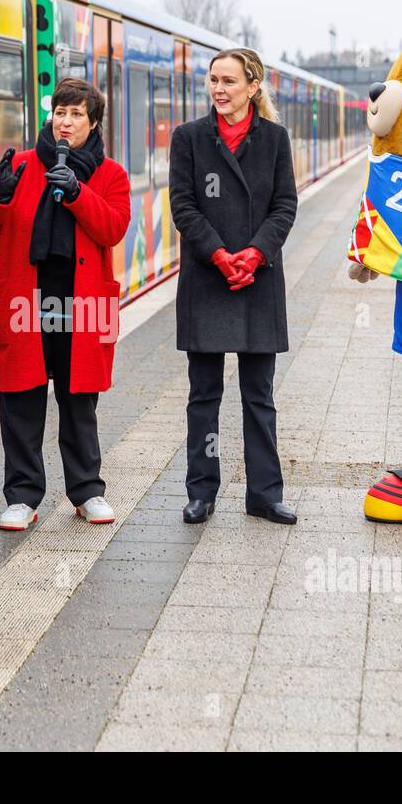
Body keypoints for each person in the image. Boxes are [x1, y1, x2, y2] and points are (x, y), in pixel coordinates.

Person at [0, 77, 130, 530]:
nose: (65, 121)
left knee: (79, 401)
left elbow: (113, 228)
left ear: (92, 122)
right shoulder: (21, 165)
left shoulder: (110, 174)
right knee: (21, 398)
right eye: (60, 112)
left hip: (83, 306)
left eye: (77, 114)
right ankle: (22, 496)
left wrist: (78, 194)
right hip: (26, 299)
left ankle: (87, 491)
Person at [169, 47, 299, 527]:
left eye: (228, 81)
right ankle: (201, 491)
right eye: (213, 81)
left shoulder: (275, 140)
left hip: (258, 280)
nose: (219, 90)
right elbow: (183, 205)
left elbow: (285, 205)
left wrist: (256, 252)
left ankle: (264, 493)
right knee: (203, 395)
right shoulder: (189, 138)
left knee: (259, 396)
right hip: (207, 278)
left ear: (253, 86)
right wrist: (220, 254)